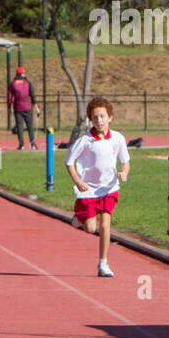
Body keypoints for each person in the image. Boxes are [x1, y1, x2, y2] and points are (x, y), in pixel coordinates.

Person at [65, 96, 130, 277]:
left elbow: (125, 161)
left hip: (109, 189)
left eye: (102, 116)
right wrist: (78, 181)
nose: (99, 121)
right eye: (95, 117)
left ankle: (103, 263)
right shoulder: (85, 141)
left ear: (110, 117)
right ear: (90, 120)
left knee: (105, 225)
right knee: (91, 228)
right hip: (89, 190)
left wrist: (124, 173)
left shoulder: (117, 138)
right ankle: (79, 217)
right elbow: (69, 162)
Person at [8, 67, 38, 150]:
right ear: (23, 73)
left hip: (17, 107)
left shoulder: (12, 83)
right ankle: (33, 144)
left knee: (19, 127)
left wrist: (9, 108)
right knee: (30, 126)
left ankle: (21, 145)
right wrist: (36, 107)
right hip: (27, 107)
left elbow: (9, 97)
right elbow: (32, 95)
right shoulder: (27, 82)